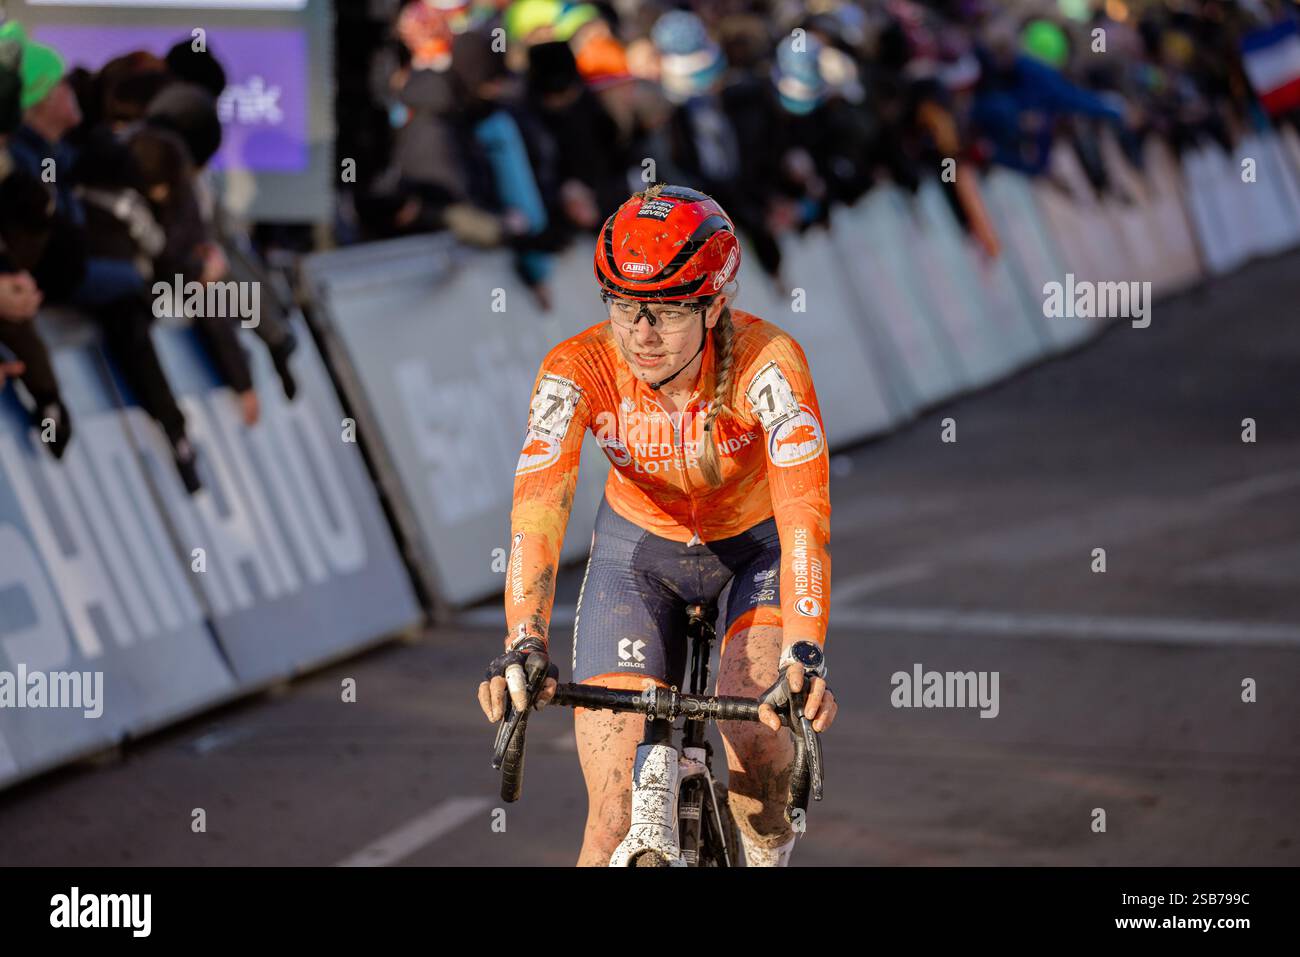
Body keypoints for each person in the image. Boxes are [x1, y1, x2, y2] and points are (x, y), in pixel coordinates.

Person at [477, 183, 837, 867]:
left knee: (760, 753)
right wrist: (524, 637)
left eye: (668, 310)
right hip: (636, 556)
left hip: (753, 554)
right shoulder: (574, 369)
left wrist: (805, 650)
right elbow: (537, 509)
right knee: (613, 819)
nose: (641, 333)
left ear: (713, 303)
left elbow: (803, 518)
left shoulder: (770, 366)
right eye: (623, 304)